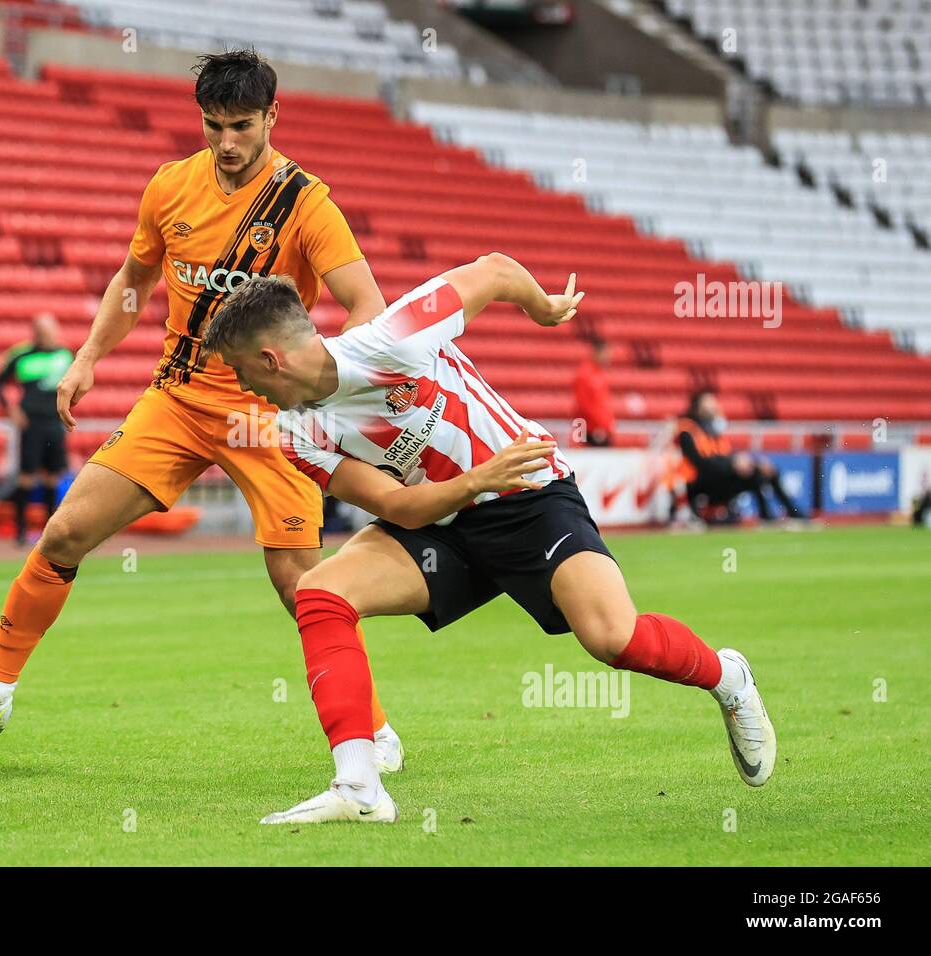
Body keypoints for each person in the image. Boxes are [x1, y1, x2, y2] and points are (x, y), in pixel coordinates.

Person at [0, 49, 405, 766]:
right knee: (65, 534)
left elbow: (368, 306)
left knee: (302, 587)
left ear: (271, 117)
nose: (226, 143)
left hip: (268, 416)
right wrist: (86, 359)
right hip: (176, 401)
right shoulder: (170, 188)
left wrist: (316, 378)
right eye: (212, 126)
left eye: (240, 126)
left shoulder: (305, 203)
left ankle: (374, 731)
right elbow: (134, 279)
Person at [203, 255, 777, 825]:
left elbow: (496, 270)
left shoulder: (396, 337)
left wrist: (542, 306)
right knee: (320, 593)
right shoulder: (297, 434)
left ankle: (728, 678)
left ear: (269, 359)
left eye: (239, 370)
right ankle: (360, 787)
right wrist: (473, 481)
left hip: (529, 499)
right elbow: (398, 505)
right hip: (440, 523)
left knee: (612, 638)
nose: (242, 385)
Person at [0, 313, 75, 546]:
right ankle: (21, 530)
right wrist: (10, 409)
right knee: (26, 476)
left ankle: (50, 532)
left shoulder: (65, 355)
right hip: (31, 423)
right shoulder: (21, 355)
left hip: (53, 422)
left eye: (48, 330)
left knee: (52, 476)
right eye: (40, 330)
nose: (44, 334)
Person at [674, 390, 806, 524]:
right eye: (708, 403)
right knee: (753, 474)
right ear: (697, 407)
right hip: (699, 483)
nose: (713, 406)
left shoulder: (713, 431)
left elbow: (726, 454)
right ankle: (767, 516)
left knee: (763, 472)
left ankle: (789, 512)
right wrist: (732, 463)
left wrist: (754, 463)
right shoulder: (688, 431)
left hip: (720, 478)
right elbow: (699, 462)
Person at [572, 338, 614, 446]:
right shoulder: (586, 374)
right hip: (592, 430)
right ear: (598, 352)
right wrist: (599, 424)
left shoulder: (600, 373)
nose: (609, 357)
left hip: (601, 428)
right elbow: (584, 405)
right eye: (606, 353)